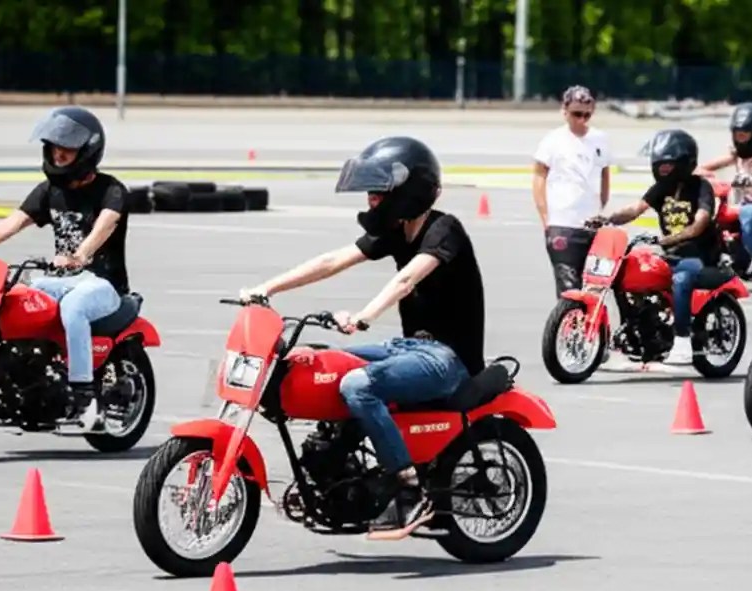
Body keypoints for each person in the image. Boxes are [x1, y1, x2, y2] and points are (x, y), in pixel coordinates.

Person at [237, 136, 485, 540]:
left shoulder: (444, 229)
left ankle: (408, 488)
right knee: (324, 367)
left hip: (447, 359)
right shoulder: (398, 229)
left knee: (358, 383)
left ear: (406, 192)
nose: (371, 200)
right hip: (408, 348)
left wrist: (366, 315)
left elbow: (408, 278)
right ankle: (336, 468)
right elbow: (332, 261)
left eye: (378, 192)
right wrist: (267, 288)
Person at [0, 106, 130, 432]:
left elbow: (106, 225)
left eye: (67, 148)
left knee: (74, 307)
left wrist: (81, 254)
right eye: (55, 146)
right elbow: (7, 226)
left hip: (102, 283)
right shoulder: (48, 192)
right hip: (61, 279)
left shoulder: (111, 190)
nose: (59, 153)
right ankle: (21, 378)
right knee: (15, 299)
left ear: (86, 151)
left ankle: (84, 396)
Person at [591, 128, 718, 365]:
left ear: (683, 162)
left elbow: (699, 224)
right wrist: (607, 218)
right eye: (659, 164)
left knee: (681, 279)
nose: (662, 169)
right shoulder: (662, 189)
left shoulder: (701, 187)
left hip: (699, 257)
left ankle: (682, 340)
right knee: (625, 271)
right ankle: (635, 331)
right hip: (670, 255)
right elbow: (635, 209)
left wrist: (666, 240)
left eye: (668, 165)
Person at [532, 84, 613, 296]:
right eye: (576, 114)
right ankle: (570, 327)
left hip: (592, 225)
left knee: (594, 287)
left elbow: (604, 172)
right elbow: (539, 176)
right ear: (564, 111)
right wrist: (545, 217)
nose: (582, 120)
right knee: (569, 287)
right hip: (562, 223)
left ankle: (589, 328)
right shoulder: (553, 140)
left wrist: (602, 202)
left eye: (587, 115)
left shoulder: (600, 139)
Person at [698, 102, 752, 280]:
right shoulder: (738, 153)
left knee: (748, 211)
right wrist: (690, 172)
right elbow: (710, 165)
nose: (740, 139)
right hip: (746, 205)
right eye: (737, 135)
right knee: (718, 217)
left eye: (744, 135)